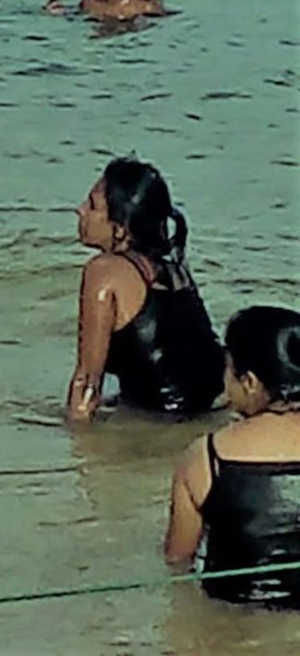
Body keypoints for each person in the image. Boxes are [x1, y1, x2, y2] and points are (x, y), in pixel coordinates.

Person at [66, 157, 223, 421]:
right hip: (213, 407)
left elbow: (87, 382)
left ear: (120, 228)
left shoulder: (104, 271)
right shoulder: (174, 269)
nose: (80, 210)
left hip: (167, 423)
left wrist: (75, 451)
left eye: (92, 206)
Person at [165, 305, 300, 607]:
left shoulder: (206, 456)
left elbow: (177, 561)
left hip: (234, 629)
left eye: (229, 370)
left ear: (250, 382)